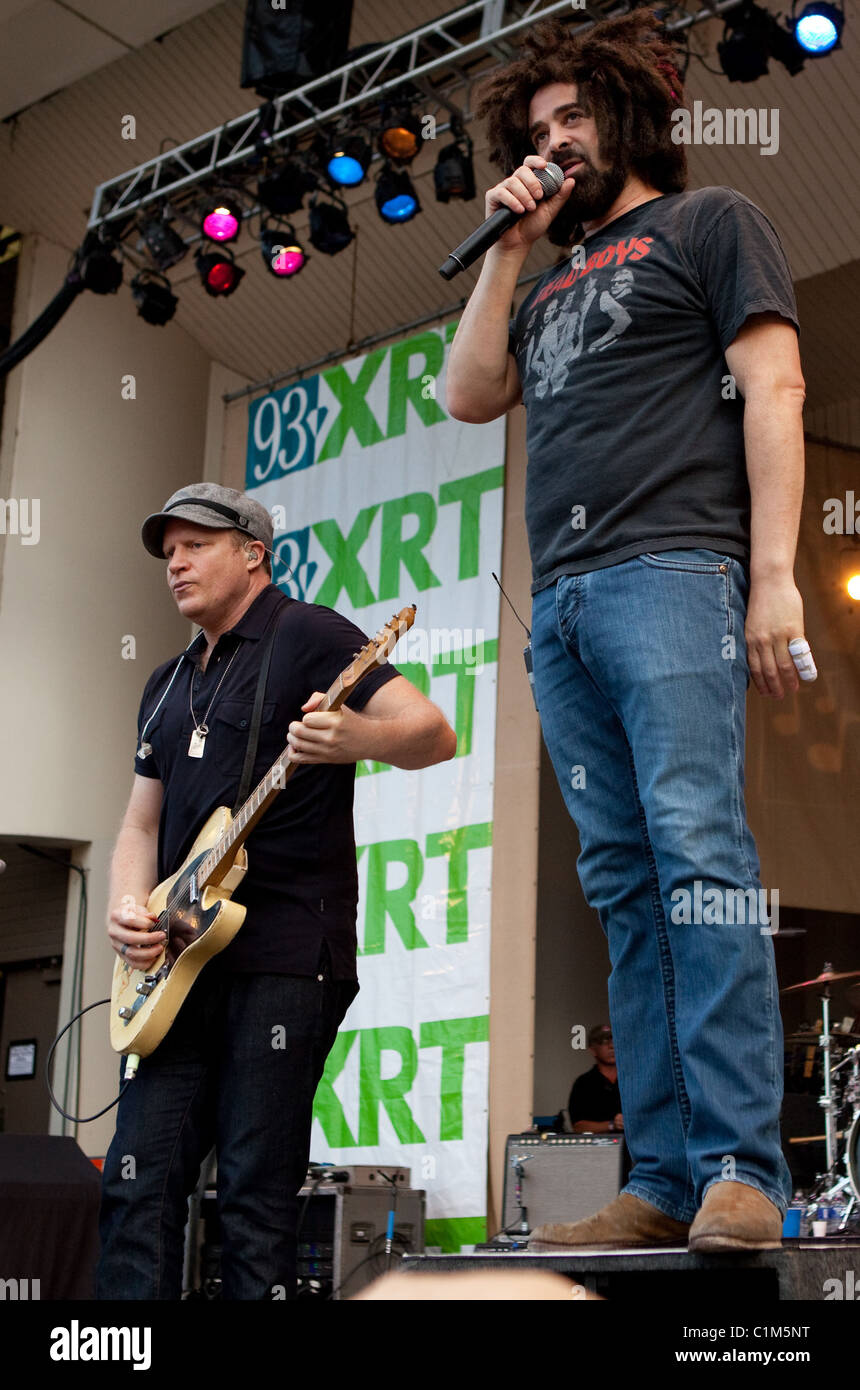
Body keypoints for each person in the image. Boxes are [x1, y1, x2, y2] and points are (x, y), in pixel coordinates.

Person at [447, 10, 806, 1252]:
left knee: (700, 855)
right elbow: (465, 394)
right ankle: (658, 1177)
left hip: (671, 572)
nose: (554, 141)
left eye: (572, 120)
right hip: (563, 602)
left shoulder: (708, 225)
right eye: (535, 129)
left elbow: (774, 386)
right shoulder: (539, 275)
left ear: (627, 118)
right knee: (623, 885)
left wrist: (772, 578)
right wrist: (507, 246)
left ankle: (740, 1171)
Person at [97, 482, 456, 1298]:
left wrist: (356, 736)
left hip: (288, 953)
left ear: (253, 552)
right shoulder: (163, 682)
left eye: (196, 544)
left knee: (255, 1194)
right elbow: (138, 827)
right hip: (176, 964)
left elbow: (433, 732)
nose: (175, 563)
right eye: (168, 551)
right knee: (135, 1183)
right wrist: (130, 905)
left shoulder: (310, 633)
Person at [567, 1024, 622, 1135]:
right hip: (599, 1149)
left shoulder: (633, 1080)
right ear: (593, 1050)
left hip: (634, 1149)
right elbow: (578, 1127)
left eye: (615, 1041)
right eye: (604, 1042)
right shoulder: (584, 1083)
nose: (612, 1046)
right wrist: (612, 1124)